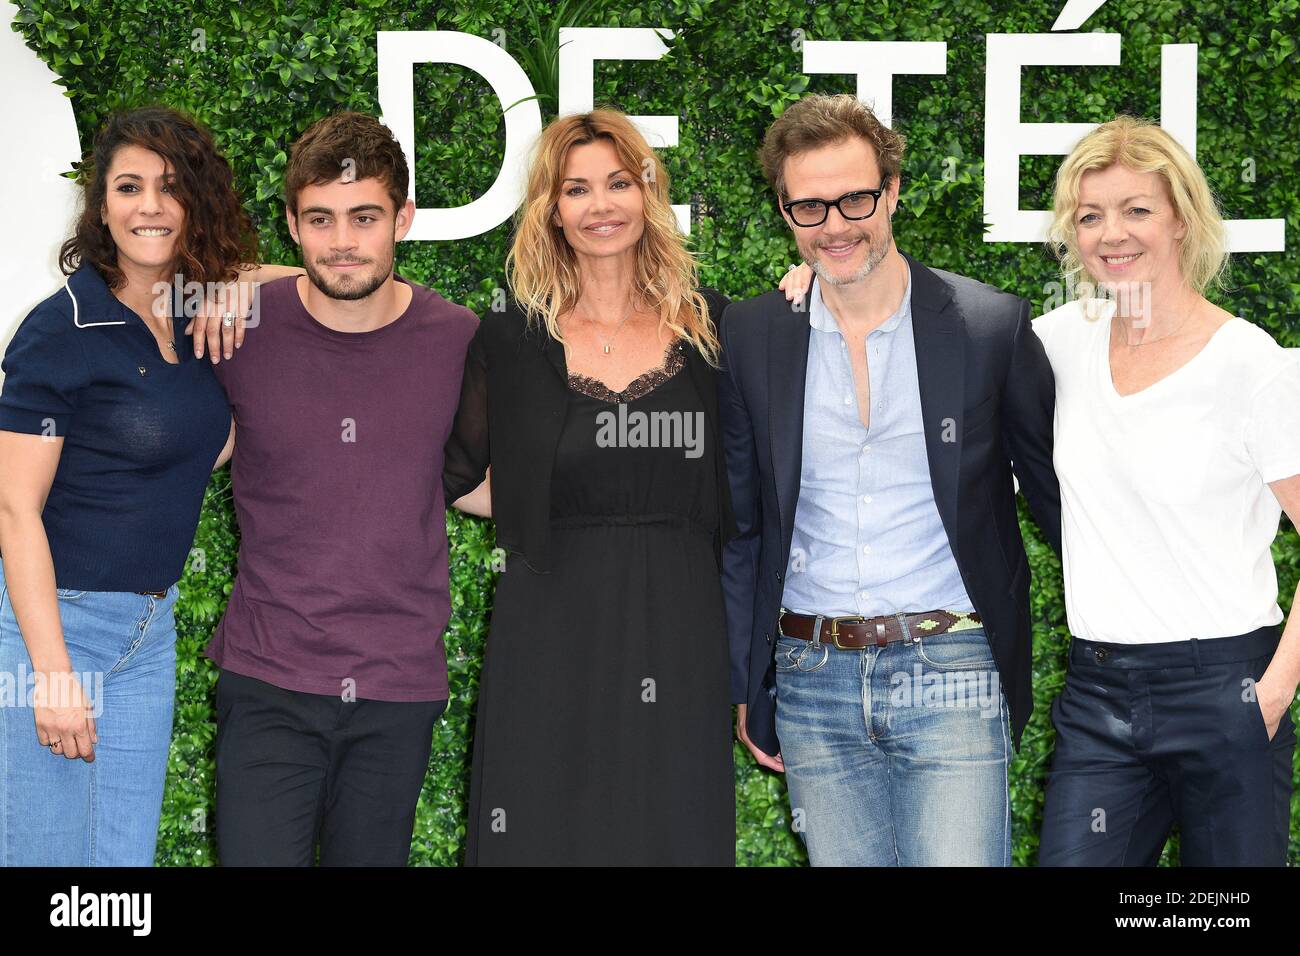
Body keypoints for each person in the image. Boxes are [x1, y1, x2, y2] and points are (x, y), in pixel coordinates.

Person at [725, 93, 1061, 865]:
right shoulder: (752, 335)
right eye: (809, 207)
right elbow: (743, 526)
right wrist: (750, 681)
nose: (835, 225)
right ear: (784, 211)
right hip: (811, 675)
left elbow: (1056, 498)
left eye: (855, 198)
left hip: (953, 670)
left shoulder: (989, 326)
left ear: (895, 191)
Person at [443, 108, 738, 865]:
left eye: (618, 183)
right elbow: (458, 476)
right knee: (546, 821)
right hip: (551, 617)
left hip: (680, 619)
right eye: (577, 190)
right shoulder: (509, 335)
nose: (601, 205)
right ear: (552, 210)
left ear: (648, 194)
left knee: (669, 819)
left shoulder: (715, 331)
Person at [0, 105, 284, 865]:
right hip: (52, 629)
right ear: (101, 206)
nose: (150, 206)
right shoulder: (59, 330)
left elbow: (329, 274)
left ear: (198, 202)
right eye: (129, 187)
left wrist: (235, 278)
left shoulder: (193, 316)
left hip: (146, 636)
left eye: (171, 187)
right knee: (48, 864)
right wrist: (51, 675)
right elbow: (15, 509)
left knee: (121, 868)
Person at [201, 111, 479, 866]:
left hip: (396, 683)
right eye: (320, 219)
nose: (343, 241)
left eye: (365, 217)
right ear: (292, 224)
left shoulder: (458, 339)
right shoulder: (240, 324)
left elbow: (483, 481)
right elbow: (138, 281)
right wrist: (229, 279)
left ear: (404, 220)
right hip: (268, 677)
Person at [1033, 116, 1300, 865]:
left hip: (1227, 686)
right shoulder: (1060, 341)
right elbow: (935, 331)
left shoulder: (1255, 366)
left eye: (1136, 209)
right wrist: (816, 285)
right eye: (1090, 216)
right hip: (1099, 694)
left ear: (1181, 218)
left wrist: (1271, 694)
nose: (1111, 233)